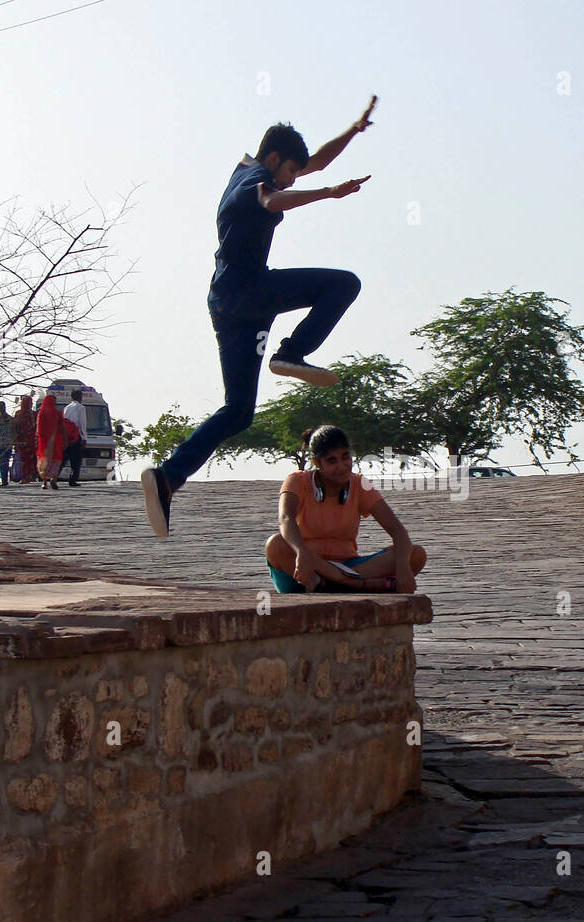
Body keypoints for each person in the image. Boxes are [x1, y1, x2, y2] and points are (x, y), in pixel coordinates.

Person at [141, 96, 379, 538]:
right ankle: (292, 352)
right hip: (250, 292)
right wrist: (327, 195)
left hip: (228, 305)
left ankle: (168, 477)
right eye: (291, 171)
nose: (294, 179)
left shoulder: (251, 168)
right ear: (274, 159)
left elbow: (316, 163)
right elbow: (271, 200)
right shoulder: (257, 179)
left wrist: (352, 129)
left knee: (238, 411)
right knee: (343, 283)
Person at [265, 425, 426, 594]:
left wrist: (403, 569)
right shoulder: (297, 481)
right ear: (317, 463)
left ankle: (331, 585)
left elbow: (397, 530)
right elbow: (286, 519)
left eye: (345, 457)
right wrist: (301, 552)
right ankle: (355, 585)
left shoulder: (360, 485)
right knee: (275, 545)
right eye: (332, 461)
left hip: (349, 567)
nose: (342, 466)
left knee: (415, 554)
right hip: (306, 567)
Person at [35, 394, 66, 490]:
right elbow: (62, 427)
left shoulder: (41, 413)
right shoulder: (57, 413)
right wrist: (65, 439)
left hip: (44, 441)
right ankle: (53, 480)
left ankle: (44, 481)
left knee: (45, 461)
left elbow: (38, 428)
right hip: (56, 441)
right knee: (55, 461)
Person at [62, 388, 88, 487]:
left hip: (66, 436)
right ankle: (72, 480)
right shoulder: (80, 407)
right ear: (80, 397)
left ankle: (54, 477)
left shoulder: (66, 407)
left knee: (63, 459)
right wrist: (84, 438)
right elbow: (82, 423)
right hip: (76, 437)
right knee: (76, 460)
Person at [13, 394, 37, 483]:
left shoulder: (32, 414)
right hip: (23, 441)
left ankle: (30, 476)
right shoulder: (19, 414)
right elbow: (14, 427)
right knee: (24, 459)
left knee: (29, 459)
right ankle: (26, 476)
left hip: (28, 441)